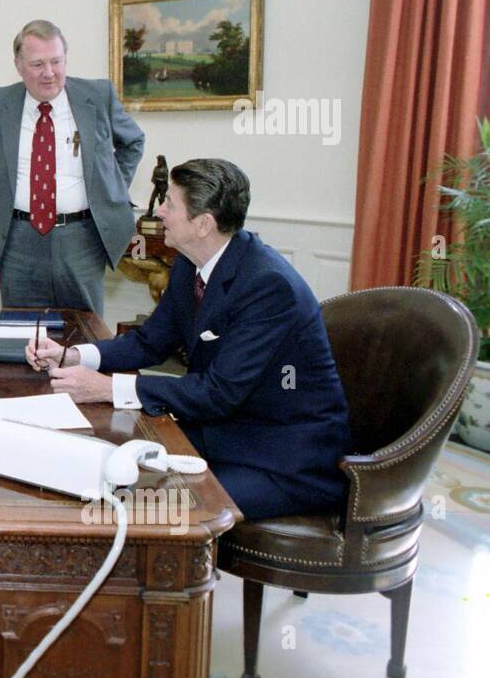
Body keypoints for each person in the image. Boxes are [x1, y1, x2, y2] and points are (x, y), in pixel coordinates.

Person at [27, 158, 352, 521]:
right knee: (99, 464)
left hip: (282, 461)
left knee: (150, 511)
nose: (160, 211)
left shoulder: (268, 286)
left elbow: (218, 392)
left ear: (203, 224)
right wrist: (73, 356)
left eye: (170, 204)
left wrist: (107, 388)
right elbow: (149, 342)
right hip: (225, 433)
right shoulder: (188, 264)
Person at [0, 19, 145, 315]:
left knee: (84, 333)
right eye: (37, 64)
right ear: (19, 65)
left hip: (82, 239)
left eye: (56, 62)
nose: (49, 73)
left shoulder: (98, 96)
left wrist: (108, 189)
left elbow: (132, 142)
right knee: (20, 334)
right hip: (18, 241)